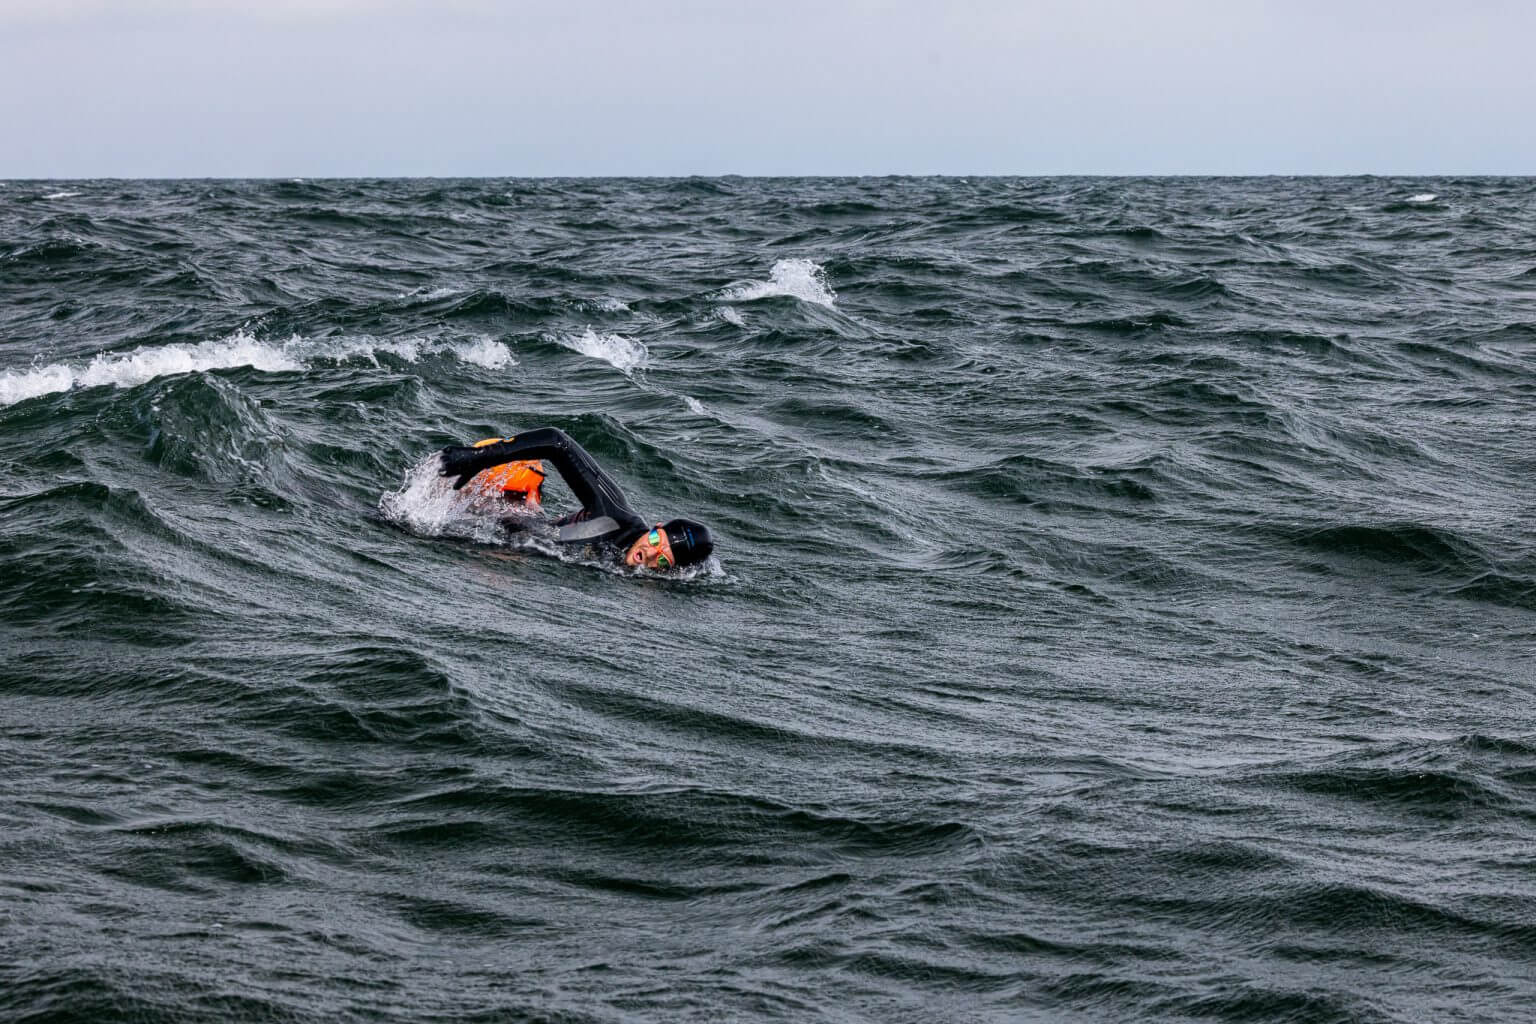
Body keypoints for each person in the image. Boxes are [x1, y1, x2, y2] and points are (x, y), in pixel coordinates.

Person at [437, 427, 714, 571]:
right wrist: (481, 459)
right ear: (657, 526)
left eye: (662, 561)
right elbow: (557, 441)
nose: (650, 554)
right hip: (503, 518)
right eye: (656, 541)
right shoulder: (614, 513)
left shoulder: (632, 575)